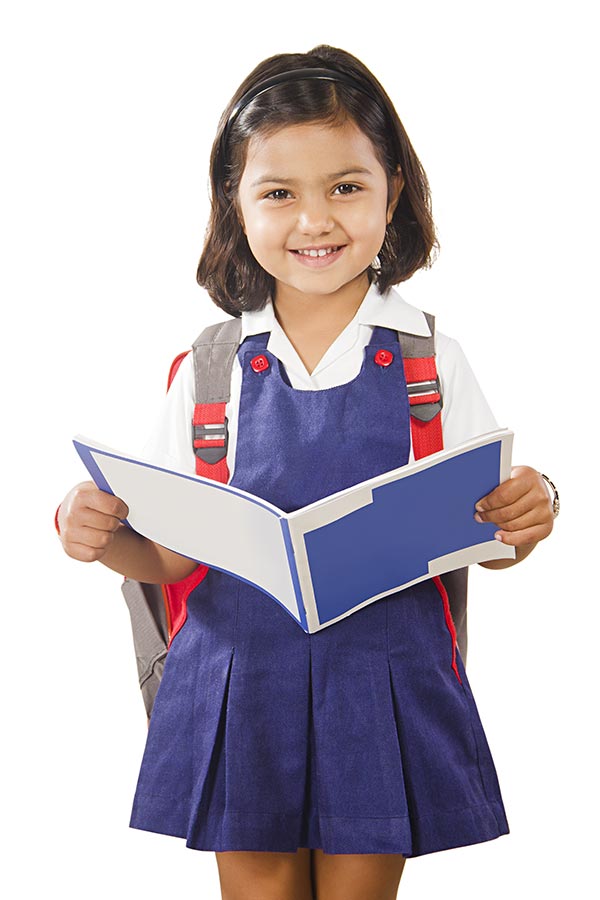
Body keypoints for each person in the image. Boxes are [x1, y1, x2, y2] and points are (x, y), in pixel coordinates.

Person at [57, 45, 556, 900]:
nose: (315, 219)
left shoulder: (432, 359)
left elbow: (487, 540)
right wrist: (103, 539)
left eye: (346, 186)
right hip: (238, 686)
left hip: (383, 680)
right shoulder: (209, 368)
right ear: (235, 203)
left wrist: (527, 516)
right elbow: (173, 558)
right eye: (279, 192)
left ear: (393, 189)